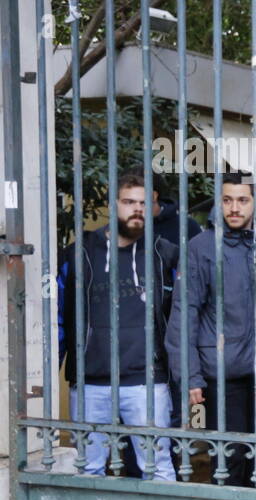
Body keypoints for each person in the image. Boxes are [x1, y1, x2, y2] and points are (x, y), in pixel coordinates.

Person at [166, 173, 256, 487]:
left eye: (242, 200)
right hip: (223, 373)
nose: (234, 208)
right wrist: (191, 375)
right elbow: (185, 313)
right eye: (227, 200)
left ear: (255, 202)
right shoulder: (200, 246)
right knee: (229, 457)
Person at [59, 169, 178, 480]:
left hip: (147, 381)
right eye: (128, 201)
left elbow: (180, 317)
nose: (136, 209)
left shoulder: (164, 254)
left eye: (142, 203)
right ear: (114, 205)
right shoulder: (81, 252)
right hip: (91, 382)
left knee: (158, 470)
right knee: (89, 471)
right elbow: (60, 313)